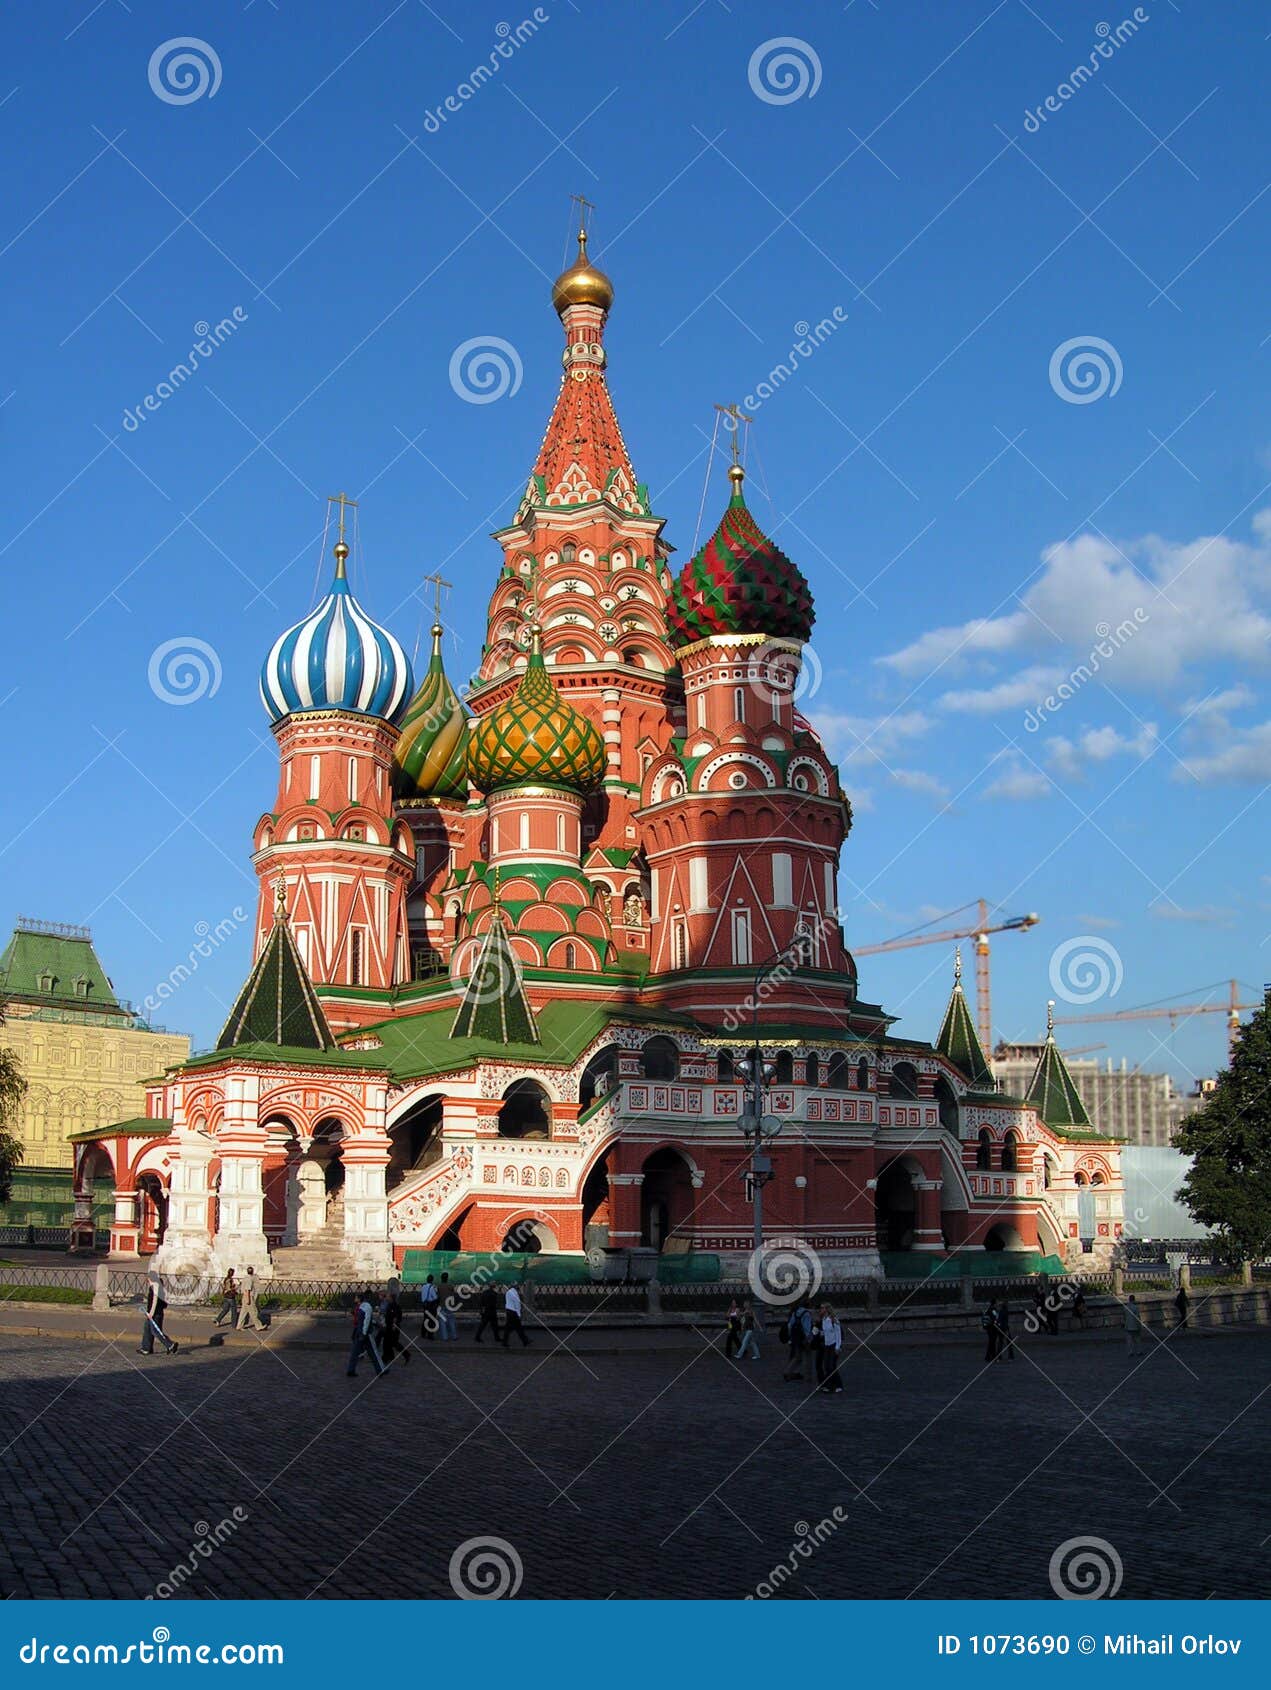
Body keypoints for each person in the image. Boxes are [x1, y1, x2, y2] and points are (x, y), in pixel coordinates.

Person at [346, 1290, 385, 1378]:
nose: (354, 1299)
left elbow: (366, 1320)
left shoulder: (363, 1307)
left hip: (362, 1332)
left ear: (359, 1299)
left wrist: (364, 1331)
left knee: (356, 1352)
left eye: (356, 1297)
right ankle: (380, 1370)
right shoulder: (361, 1307)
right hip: (363, 1333)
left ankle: (351, 1369)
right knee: (372, 1352)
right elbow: (365, 1320)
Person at [138, 1276, 178, 1356]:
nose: (147, 1281)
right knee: (147, 1329)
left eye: (148, 1279)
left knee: (155, 1331)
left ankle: (170, 1345)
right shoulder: (157, 1287)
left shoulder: (155, 1288)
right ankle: (146, 1348)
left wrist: (151, 1314)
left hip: (155, 1314)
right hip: (155, 1313)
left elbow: (154, 1302)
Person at [381, 1288, 408, 1366]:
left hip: (393, 1327)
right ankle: (387, 1358)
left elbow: (396, 1317)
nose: (386, 1297)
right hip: (389, 1326)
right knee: (387, 1343)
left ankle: (406, 1355)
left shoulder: (395, 1306)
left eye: (388, 1296)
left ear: (391, 1298)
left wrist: (394, 1325)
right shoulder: (390, 1305)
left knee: (393, 1343)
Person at [819, 1305, 843, 1394]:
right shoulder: (823, 1320)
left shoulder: (834, 1320)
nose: (820, 1309)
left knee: (831, 1366)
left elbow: (838, 1334)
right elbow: (825, 1332)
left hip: (833, 1345)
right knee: (826, 1366)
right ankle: (829, 1385)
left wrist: (837, 1347)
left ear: (827, 1309)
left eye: (822, 1308)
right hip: (827, 1345)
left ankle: (838, 1385)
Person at [783, 1301, 808, 1381]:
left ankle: (794, 1373)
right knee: (798, 1357)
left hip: (794, 1338)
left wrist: (790, 1337)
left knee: (797, 1356)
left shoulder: (795, 1313)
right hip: (801, 1338)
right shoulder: (806, 1313)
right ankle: (787, 1372)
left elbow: (790, 1325)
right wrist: (808, 1339)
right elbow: (806, 1329)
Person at [502, 1281, 531, 1348]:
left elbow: (508, 1302)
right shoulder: (515, 1292)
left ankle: (525, 1341)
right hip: (513, 1312)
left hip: (509, 1311)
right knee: (516, 1328)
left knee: (516, 1327)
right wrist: (519, 1314)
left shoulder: (508, 1292)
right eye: (517, 1286)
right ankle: (524, 1341)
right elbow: (517, 1304)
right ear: (515, 1286)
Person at [236, 1266, 259, 1331]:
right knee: (254, 1312)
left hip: (244, 1296)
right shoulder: (249, 1279)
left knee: (243, 1313)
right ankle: (259, 1326)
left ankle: (239, 1326)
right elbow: (247, 1290)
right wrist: (248, 1299)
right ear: (252, 1272)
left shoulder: (245, 1278)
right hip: (249, 1297)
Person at [437, 1273, 458, 1340]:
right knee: (451, 1321)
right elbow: (453, 1293)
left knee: (442, 1322)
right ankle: (454, 1336)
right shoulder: (450, 1286)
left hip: (442, 1305)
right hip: (449, 1305)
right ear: (447, 1278)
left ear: (441, 1278)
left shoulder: (439, 1286)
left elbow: (438, 1295)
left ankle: (445, 1337)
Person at [419, 1274, 440, 1340]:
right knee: (431, 1321)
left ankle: (423, 1334)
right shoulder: (432, 1287)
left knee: (425, 1319)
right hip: (431, 1305)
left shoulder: (423, 1287)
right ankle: (430, 1335)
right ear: (432, 1280)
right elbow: (435, 1297)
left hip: (425, 1305)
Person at [982, 1297, 1001, 1364]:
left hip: (990, 1328)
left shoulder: (989, 1309)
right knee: (992, 1343)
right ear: (994, 1303)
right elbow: (994, 1318)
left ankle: (987, 1357)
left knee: (991, 1342)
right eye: (997, 1302)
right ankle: (993, 1357)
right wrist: (998, 1324)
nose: (998, 1303)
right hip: (992, 1328)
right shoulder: (992, 1310)